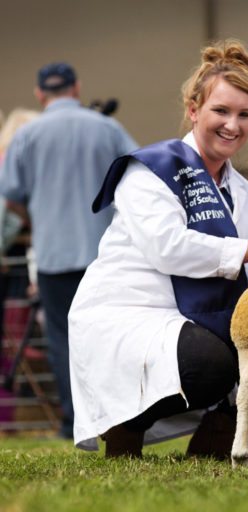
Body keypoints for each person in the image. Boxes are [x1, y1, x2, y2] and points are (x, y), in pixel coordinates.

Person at [68, 39, 248, 458]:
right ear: (194, 110)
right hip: (132, 314)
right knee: (209, 365)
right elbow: (168, 248)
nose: (232, 125)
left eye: (244, 115)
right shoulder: (150, 170)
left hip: (195, 319)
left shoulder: (246, 193)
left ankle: (212, 445)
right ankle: (125, 427)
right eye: (220, 111)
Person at [0, 63, 137, 439]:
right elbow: (140, 177)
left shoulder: (26, 135)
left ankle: (73, 422)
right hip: (105, 254)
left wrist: (37, 220)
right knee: (110, 336)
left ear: (39, 94)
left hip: (53, 256)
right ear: (76, 88)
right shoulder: (107, 128)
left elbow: (10, 196)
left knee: (62, 339)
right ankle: (117, 418)